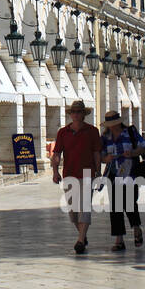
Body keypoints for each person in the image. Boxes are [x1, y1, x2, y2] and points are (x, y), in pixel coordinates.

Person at [51, 100, 100, 255]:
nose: (76, 114)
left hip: (87, 173)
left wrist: (98, 171)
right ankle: (82, 235)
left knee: (84, 207)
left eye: (79, 112)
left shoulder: (92, 131)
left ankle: (80, 241)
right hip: (69, 174)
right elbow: (57, 153)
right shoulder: (63, 132)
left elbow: (96, 152)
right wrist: (55, 171)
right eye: (74, 112)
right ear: (70, 115)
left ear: (83, 114)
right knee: (73, 210)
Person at [100, 111, 145, 251]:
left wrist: (133, 153)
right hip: (113, 174)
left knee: (129, 203)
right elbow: (100, 155)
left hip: (130, 173)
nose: (113, 127)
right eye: (110, 125)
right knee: (115, 207)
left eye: (114, 124)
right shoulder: (105, 137)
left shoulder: (130, 133)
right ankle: (119, 239)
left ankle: (136, 228)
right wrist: (105, 159)